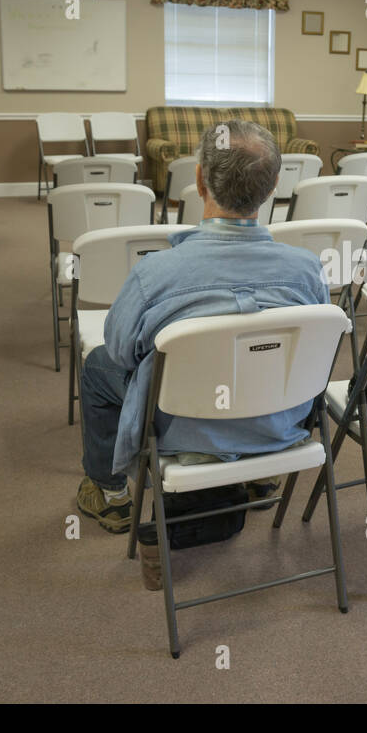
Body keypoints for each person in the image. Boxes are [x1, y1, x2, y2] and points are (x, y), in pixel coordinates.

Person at [75, 120, 328, 534]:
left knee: (98, 365)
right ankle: (260, 476)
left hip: (183, 426)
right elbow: (316, 354)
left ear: (199, 179)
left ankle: (111, 492)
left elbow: (121, 352)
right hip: (279, 422)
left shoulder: (155, 273)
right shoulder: (307, 269)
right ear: (275, 185)